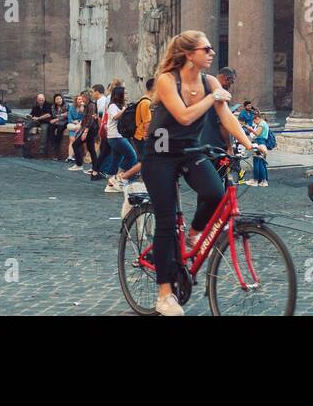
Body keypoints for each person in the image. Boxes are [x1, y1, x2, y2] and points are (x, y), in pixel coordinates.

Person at [139, 30, 255, 316]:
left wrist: (250, 143)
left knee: (215, 192)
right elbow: (184, 115)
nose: (212, 53)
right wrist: (212, 97)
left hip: (191, 150)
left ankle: (192, 234)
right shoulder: (168, 81)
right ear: (190, 54)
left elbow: (225, 115)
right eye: (207, 49)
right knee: (166, 221)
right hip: (160, 154)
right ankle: (164, 295)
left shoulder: (209, 81)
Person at [101, 86, 138, 192]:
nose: (127, 95)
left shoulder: (122, 106)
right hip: (115, 136)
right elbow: (115, 117)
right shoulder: (112, 105)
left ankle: (111, 184)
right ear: (119, 95)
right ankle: (119, 179)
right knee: (132, 156)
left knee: (116, 160)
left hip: (120, 136)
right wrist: (126, 110)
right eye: (125, 93)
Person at [70, 94, 99, 172]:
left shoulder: (91, 105)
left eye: (83, 98)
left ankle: (79, 165)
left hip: (90, 130)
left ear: (87, 97)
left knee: (75, 144)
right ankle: (95, 168)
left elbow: (90, 119)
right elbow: (84, 117)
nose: (82, 100)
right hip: (89, 129)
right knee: (91, 148)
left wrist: (85, 132)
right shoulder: (87, 106)